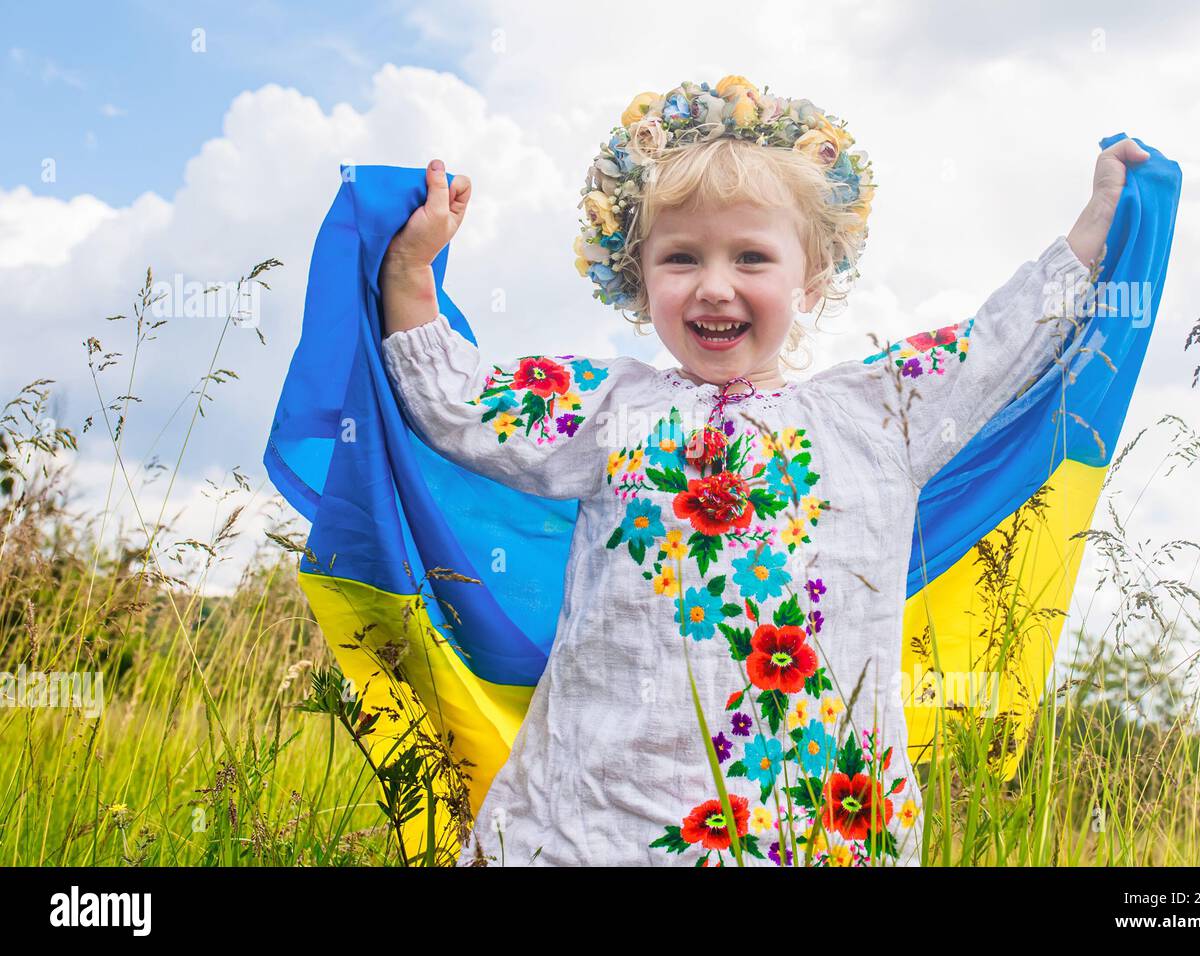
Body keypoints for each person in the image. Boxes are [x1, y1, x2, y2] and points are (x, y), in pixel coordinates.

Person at [375, 77, 1148, 866]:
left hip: (810, 835)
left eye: (751, 256)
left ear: (810, 277)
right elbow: (454, 404)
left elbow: (999, 342)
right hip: (598, 827)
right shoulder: (609, 408)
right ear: (638, 279)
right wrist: (410, 267)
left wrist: (1099, 224)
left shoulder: (881, 412)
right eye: (681, 257)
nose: (715, 285)